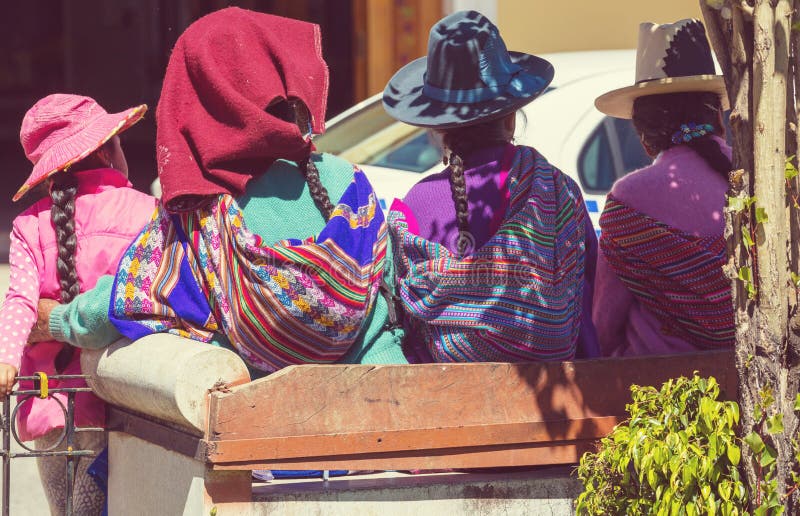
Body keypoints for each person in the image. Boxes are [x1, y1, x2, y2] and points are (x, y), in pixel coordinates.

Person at [31, 8, 406, 376]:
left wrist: (56, 321)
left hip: (269, 419)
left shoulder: (199, 215)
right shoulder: (348, 183)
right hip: (389, 395)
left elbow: (120, 302)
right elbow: (392, 290)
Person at [382, 10, 598, 363]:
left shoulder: (414, 206)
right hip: (556, 400)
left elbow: (407, 331)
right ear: (512, 118)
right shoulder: (559, 192)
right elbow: (585, 306)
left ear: (438, 128)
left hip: (445, 407)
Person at [1, 94, 156, 515]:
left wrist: (7, 360)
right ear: (106, 149)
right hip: (121, 401)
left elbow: (19, 301)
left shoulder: (28, 223)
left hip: (51, 404)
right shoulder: (147, 213)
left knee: (66, 512)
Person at [592, 18, 734, 356]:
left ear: (644, 134)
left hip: (657, 396)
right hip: (755, 390)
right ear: (718, 118)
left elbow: (603, 324)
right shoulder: (755, 181)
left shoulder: (629, 199)